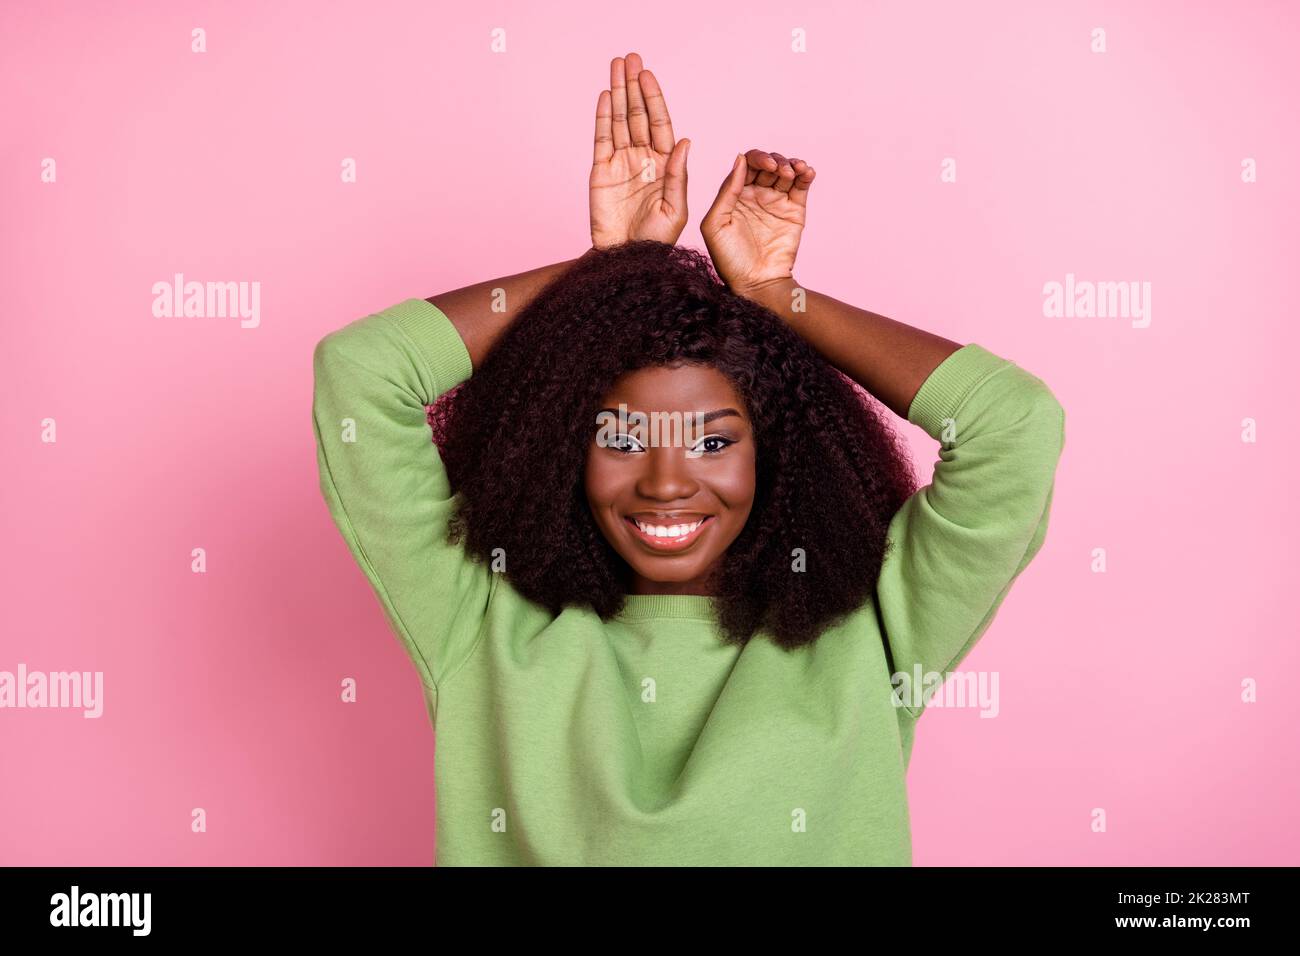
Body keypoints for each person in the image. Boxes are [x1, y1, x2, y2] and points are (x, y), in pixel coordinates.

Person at [311, 53, 1065, 865]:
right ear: (565, 447)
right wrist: (611, 275)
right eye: (621, 438)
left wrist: (778, 296)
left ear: (773, 453)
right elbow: (362, 371)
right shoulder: (476, 619)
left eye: (713, 441)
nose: (667, 483)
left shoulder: (876, 623)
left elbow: (1012, 424)